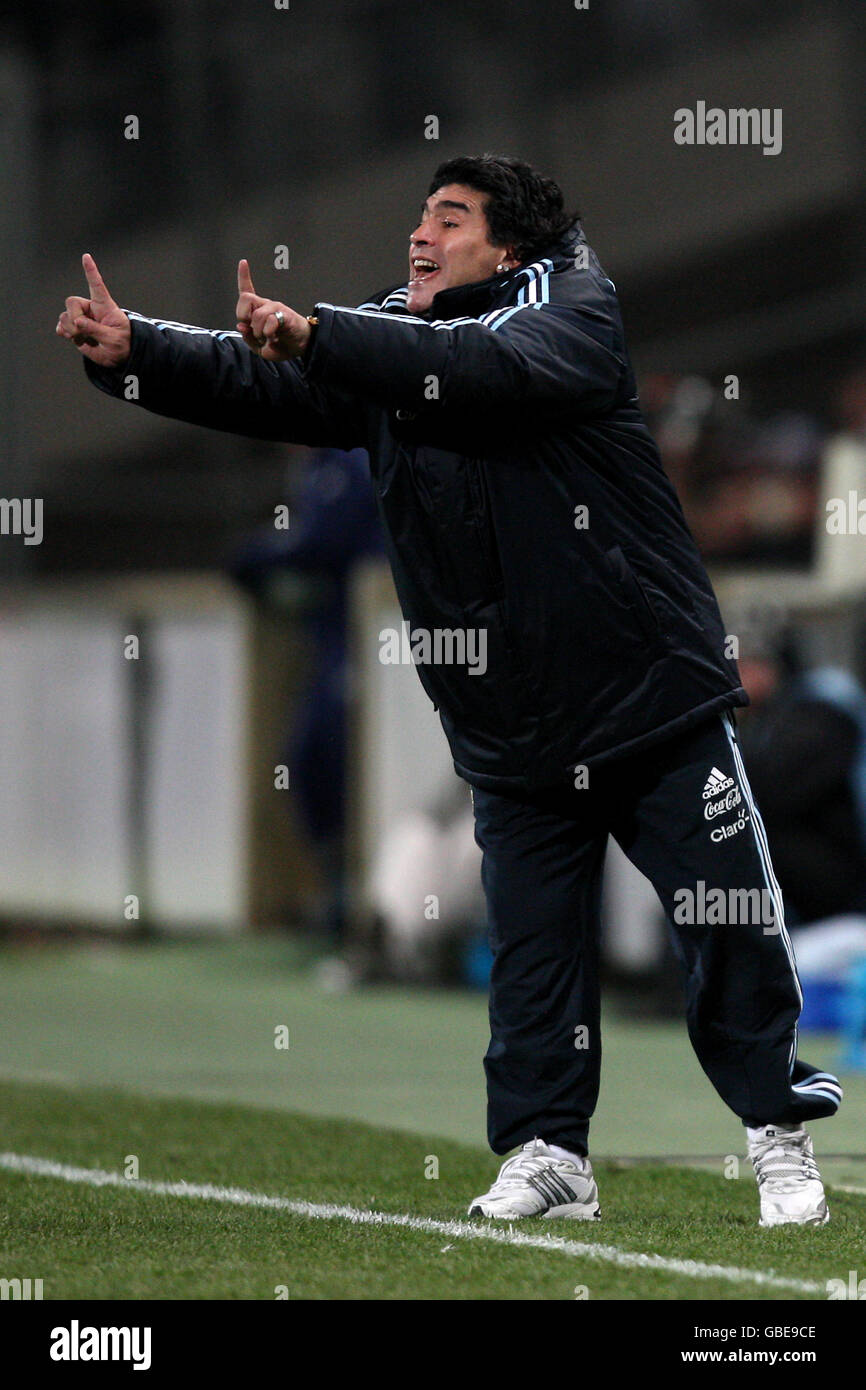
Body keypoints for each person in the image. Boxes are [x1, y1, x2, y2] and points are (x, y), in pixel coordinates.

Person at [57, 154, 841, 1227]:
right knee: (531, 954)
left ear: (508, 246)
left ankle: (775, 1137)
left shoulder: (571, 308)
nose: (419, 237)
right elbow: (265, 382)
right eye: (419, 219)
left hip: (643, 696)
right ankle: (547, 1153)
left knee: (727, 918)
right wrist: (137, 353)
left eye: (449, 220)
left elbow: (485, 371)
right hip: (509, 721)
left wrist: (324, 334)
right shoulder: (391, 334)